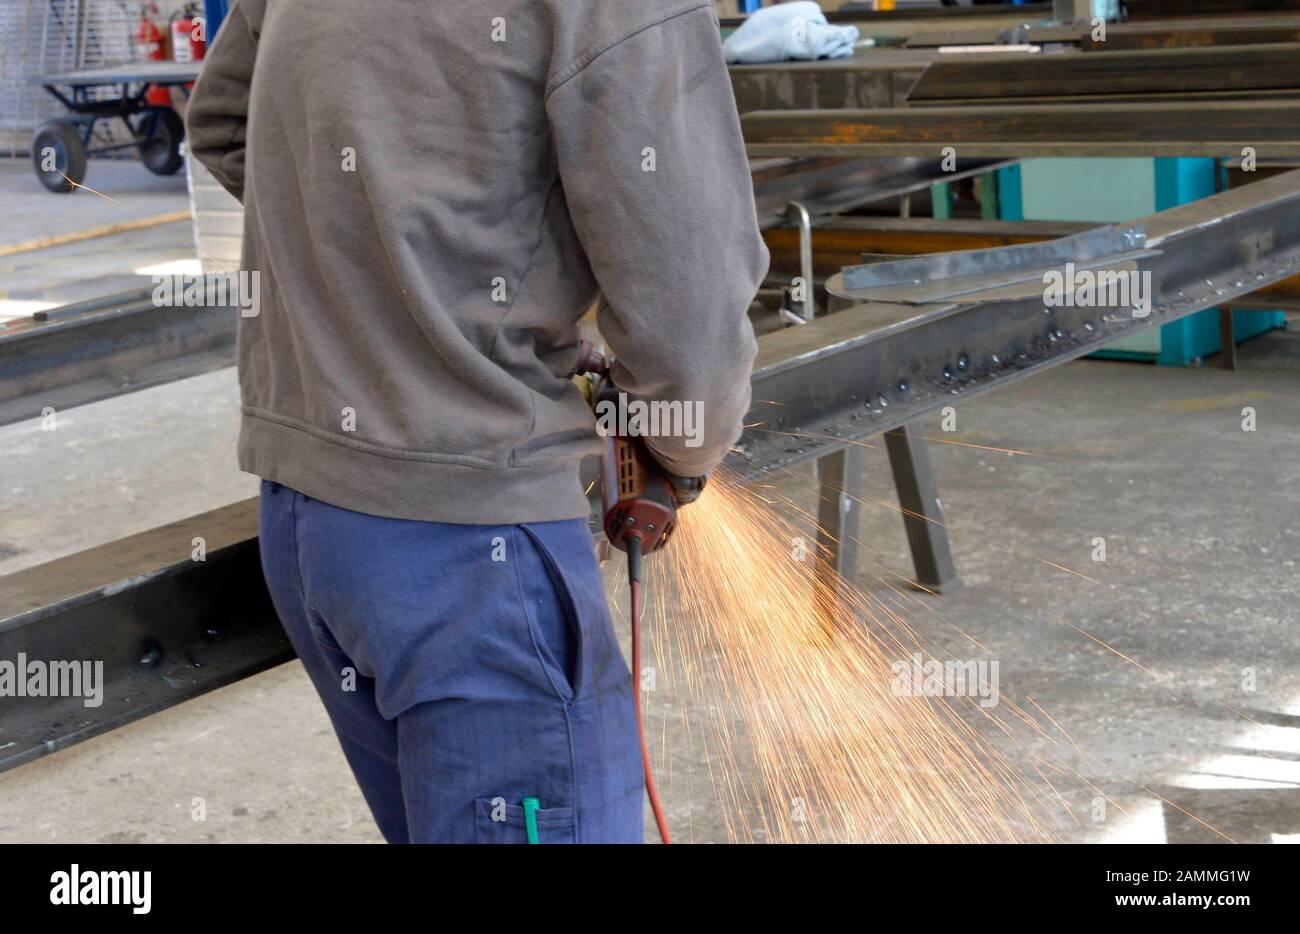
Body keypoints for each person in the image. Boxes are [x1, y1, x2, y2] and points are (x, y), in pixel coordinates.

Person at [185, 0, 767, 843]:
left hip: (309, 521)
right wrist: (679, 457)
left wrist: (386, 264)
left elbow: (223, 123)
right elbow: (688, 305)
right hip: (474, 559)